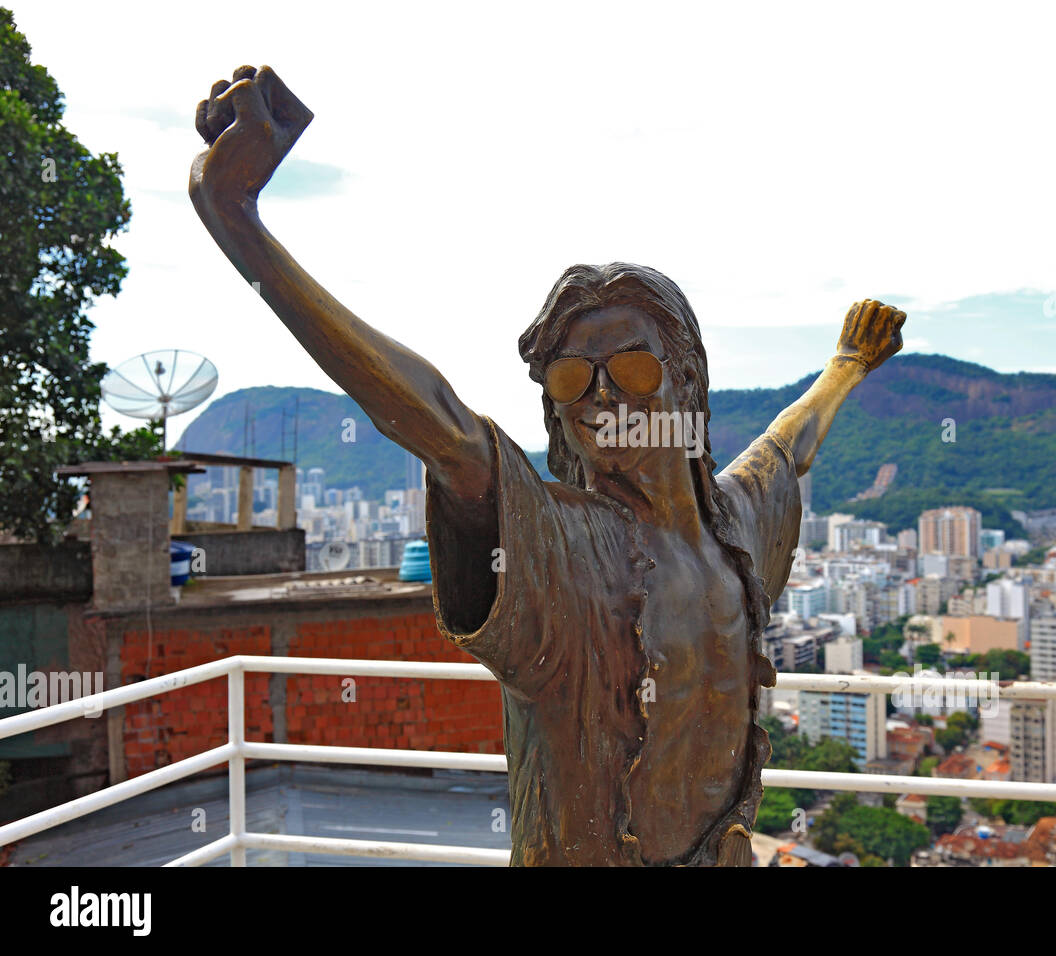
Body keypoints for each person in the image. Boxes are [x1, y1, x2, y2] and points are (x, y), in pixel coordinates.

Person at [189, 65, 906, 866]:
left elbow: (790, 447)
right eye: (572, 379)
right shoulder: (561, 547)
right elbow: (447, 431)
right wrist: (239, 227)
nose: (601, 398)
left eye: (631, 369)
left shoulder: (735, 523)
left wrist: (846, 366)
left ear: (687, 379)